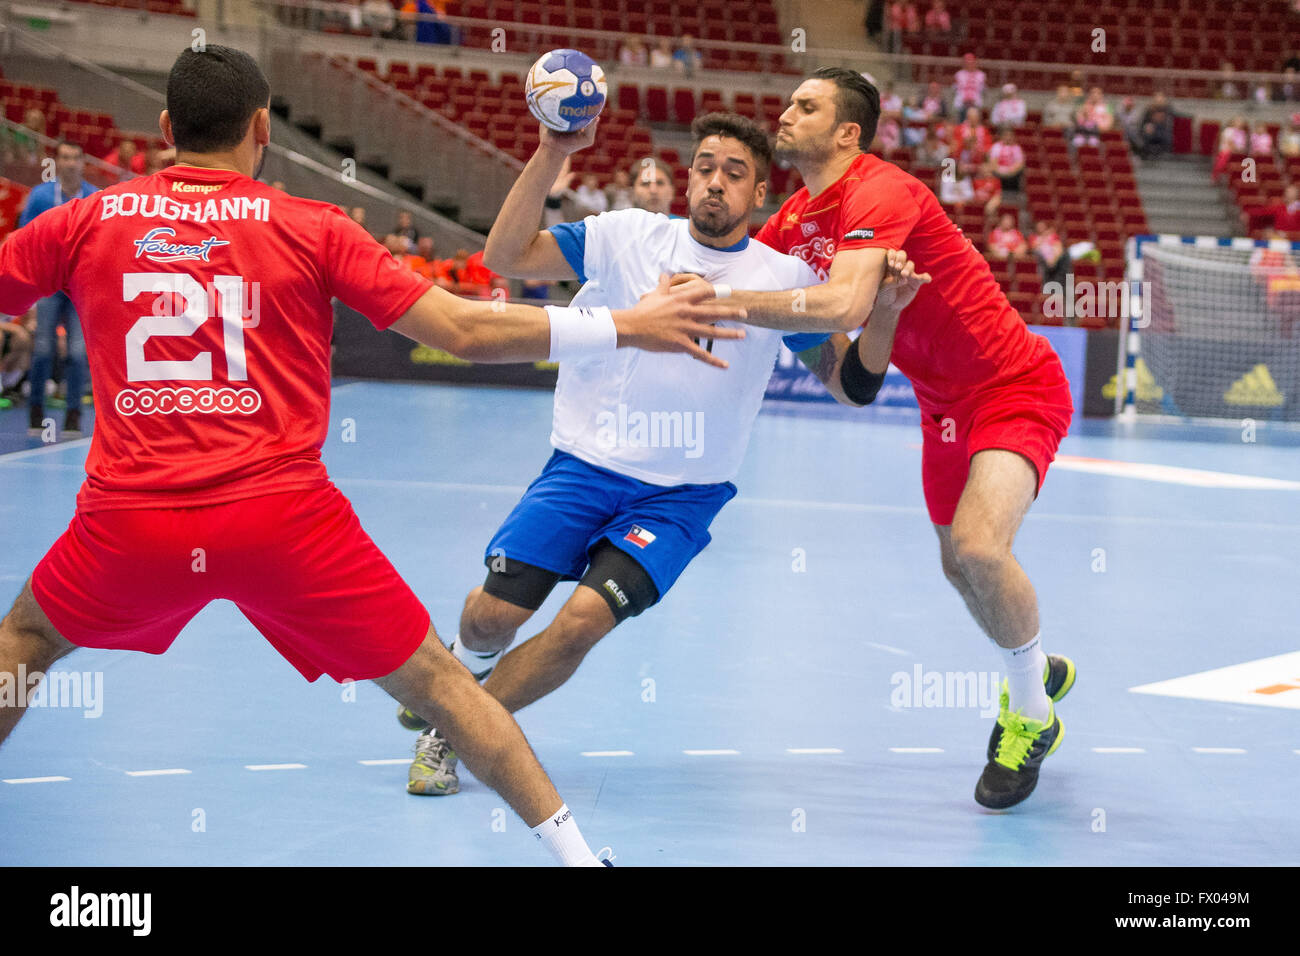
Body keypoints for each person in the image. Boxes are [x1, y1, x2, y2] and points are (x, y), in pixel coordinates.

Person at [0, 44, 745, 866]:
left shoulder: (82, 218)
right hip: (284, 526)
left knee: (25, 640)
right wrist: (625, 325)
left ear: (167, 128)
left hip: (129, 525)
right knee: (445, 688)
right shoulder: (312, 225)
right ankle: (579, 859)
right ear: (263, 127)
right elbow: (464, 330)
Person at [397, 110, 927, 796]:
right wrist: (552, 150)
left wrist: (883, 311)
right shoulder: (625, 236)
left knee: (581, 624)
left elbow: (852, 387)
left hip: (682, 496)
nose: (714, 183)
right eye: (704, 167)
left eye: (735, 174)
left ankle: (457, 730)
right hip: (584, 468)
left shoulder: (785, 277)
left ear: (759, 195)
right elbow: (505, 256)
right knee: (489, 617)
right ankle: (462, 668)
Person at [695, 68, 1078, 809]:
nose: (786, 111)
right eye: (789, 100)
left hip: (1014, 385)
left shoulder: (880, 189)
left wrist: (720, 299)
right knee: (958, 569)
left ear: (846, 132)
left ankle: (1030, 712)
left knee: (977, 547)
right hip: (940, 406)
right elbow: (762, 284)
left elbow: (840, 300)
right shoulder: (791, 223)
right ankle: (1037, 671)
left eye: (806, 105)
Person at [17, 141, 97, 437]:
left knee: (77, 353)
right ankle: (36, 411)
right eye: (64, 157)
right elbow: (24, 240)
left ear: (83, 162)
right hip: (48, 285)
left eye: (75, 157)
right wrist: (29, 292)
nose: (70, 163)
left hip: (79, 289)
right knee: (42, 350)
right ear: (57, 162)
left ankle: (73, 415)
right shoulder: (40, 197)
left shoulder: (94, 198)